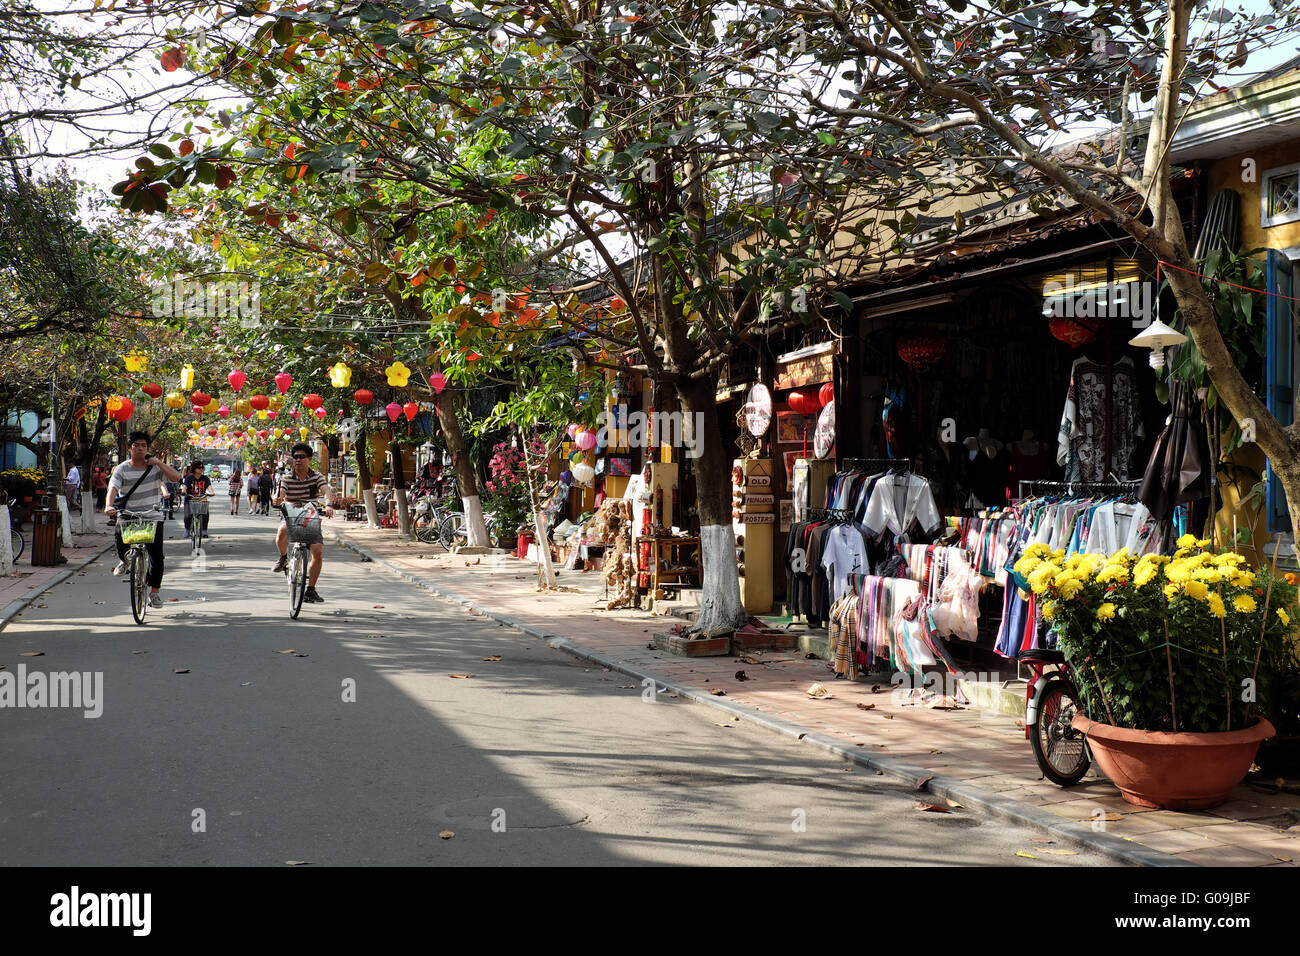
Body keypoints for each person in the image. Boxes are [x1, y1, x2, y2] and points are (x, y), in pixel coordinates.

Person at [105, 432, 181, 607]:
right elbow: (113, 488)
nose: (140, 448)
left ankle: (154, 593)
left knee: (157, 555)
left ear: (148, 448)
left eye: (143, 446)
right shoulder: (121, 468)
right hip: (128, 513)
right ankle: (124, 561)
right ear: (129, 448)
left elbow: (176, 478)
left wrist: (159, 462)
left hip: (152, 514)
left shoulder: (154, 468)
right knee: (119, 532)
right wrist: (109, 505)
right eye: (136, 445)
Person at [272, 442, 334, 603]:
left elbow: (326, 491)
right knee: (282, 530)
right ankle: (283, 557)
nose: (298, 460)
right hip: (291, 513)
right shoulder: (286, 478)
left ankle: (311, 590)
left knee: (318, 550)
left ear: (309, 459)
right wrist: (278, 499)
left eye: (302, 457)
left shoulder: (316, 476)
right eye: (295, 457)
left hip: (310, 515)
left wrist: (328, 505)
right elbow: (281, 492)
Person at [183, 461, 214, 539]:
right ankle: (187, 529)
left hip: (201, 498)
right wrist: (184, 491)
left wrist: (211, 492)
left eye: (202, 467)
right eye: (199, 468)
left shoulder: (205, 478)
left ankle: (204, 530)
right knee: (187, 516)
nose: (201, 469)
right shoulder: (189, 478)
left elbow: (209, 486)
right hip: (190, 499)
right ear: (194, 469)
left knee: (205, 514)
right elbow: (185, 486)